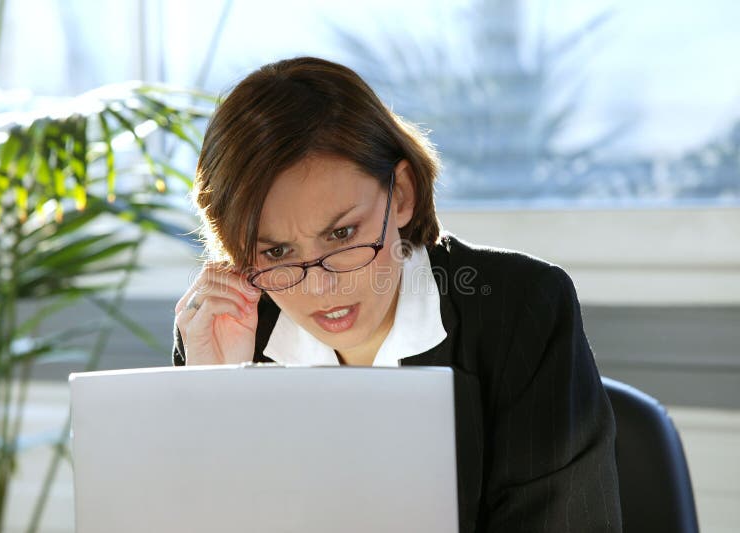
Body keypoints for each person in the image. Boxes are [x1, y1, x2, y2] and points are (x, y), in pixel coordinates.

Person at [172, 56, 622, 532]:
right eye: (278, 251)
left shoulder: (524, 309)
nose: (320, 286)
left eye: (343, 234)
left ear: (401, 194)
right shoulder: (225, 335)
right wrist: (218, 396)